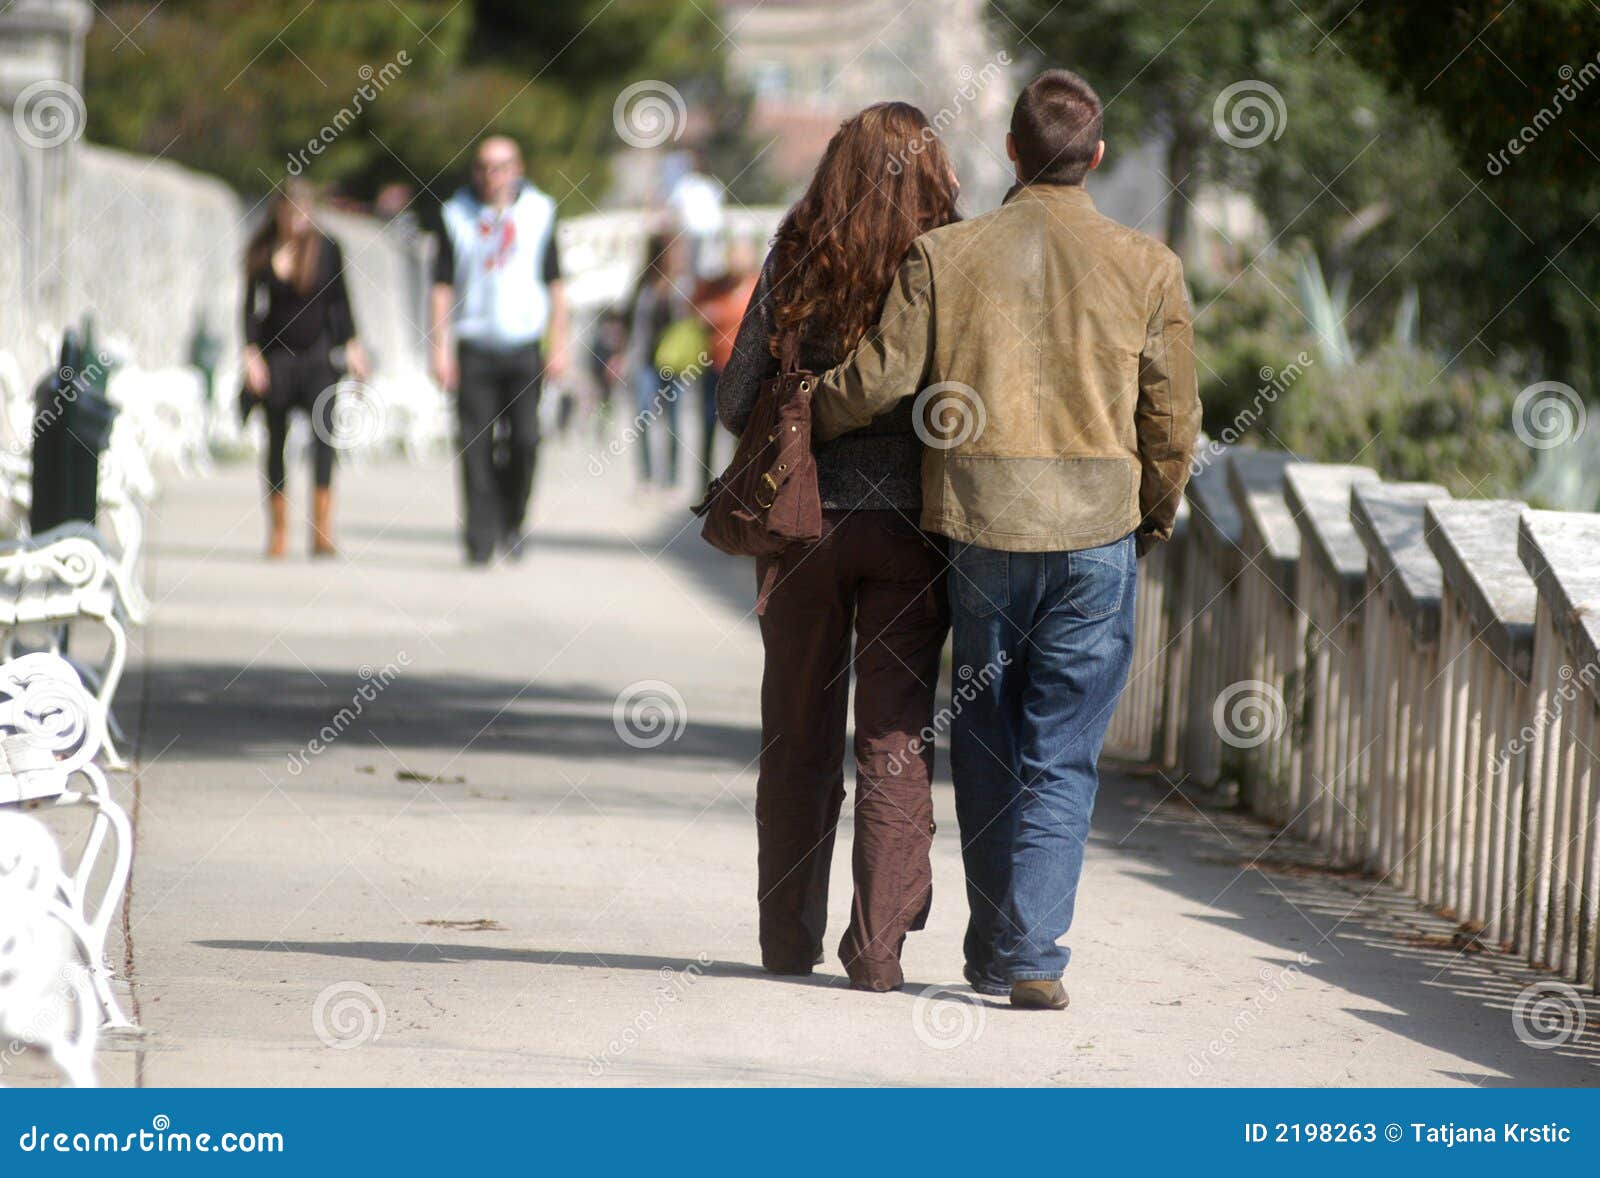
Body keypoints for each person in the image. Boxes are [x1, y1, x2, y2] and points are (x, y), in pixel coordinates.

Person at [809, 70, 1201, 1010]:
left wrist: (803, 412)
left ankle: (999, 947)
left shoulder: (949, 255)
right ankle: (1030, 956)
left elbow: (876, 381)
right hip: (1097, 534)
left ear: (1014, 154)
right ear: (1096, 156)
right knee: (1062, 749)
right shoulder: (1149, 266)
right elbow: (1173, 418)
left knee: (984, 734)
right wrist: (1152, 509)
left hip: (981, 532)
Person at [717, 102, 960, 992]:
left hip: (802, 523)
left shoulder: (799, 246)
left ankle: (787, 942)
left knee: (796, 734)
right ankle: (879, 953)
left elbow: (736, 397)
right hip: (914, 528)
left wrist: (799, 400)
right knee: (894, 735)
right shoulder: (950, 251)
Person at [430, 135, 569, 566]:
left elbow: (557, 285)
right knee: (474, 446)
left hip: (524, 346)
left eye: (502, 166)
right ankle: (478, 537)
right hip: (474, 347)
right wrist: (440, 348)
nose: (493, 176)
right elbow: (441, 286)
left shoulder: (540, 212)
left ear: (518, 168)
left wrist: (558, 343)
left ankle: (513, 519)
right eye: (485, 167)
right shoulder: (455, 215)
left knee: (526, 440)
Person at [242, 179, 369, 559]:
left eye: (304, 212)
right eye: (290, 212)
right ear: (278, 213)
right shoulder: (263, 251)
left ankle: (322, 529)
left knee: (324, 440)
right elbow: (248, 309)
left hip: (318, 358)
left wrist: (353, 345)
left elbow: (340, 301)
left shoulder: (327, 249)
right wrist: (251, 356)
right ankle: (279, 530)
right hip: (277, 359)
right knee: (275, 440)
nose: (298, 219)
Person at [624, 232, 689, 490]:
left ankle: (671, 478)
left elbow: (687, 321)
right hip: (645, 361)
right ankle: (647, 476)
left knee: (673, 420)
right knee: (642, 415)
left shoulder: (680, 285)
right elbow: (630, 320)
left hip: (673, 362)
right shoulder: (643, 283)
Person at [690, 244, 758, 486]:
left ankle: (737, 481)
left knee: (739, 429)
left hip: (745, 370)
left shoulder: (758, 286)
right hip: (713, 365)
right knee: (709, 424)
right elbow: (694, 311)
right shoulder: (714, 286)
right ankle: (704, 482)